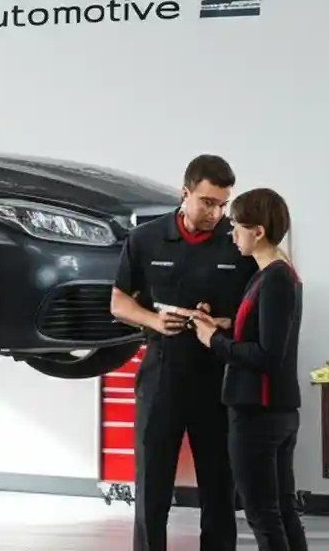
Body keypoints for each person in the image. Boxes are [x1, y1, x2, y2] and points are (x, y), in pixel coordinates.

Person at [110, 154, 258, 551]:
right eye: (208, 202)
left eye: (222, 204)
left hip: (217, 377)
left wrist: (222, 323)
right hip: (161, 375)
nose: (216, 212)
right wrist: (154, 321)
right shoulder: (145, 239)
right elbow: (119, 302)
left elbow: (255, 310)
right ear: (185, 193)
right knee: (151, 486)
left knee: (219, 486)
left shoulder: (236, 242)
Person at [187, 188, 308, 551]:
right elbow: (266, 332)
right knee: (281, 510)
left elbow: (268, 355)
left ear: (258, 232)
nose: (232, 234)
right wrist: (226, 325)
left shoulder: (274, 279)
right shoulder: (274, 275)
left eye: (237, 227)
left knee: (263, 514)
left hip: (259, 414)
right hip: (274, 412)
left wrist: (214, 341)